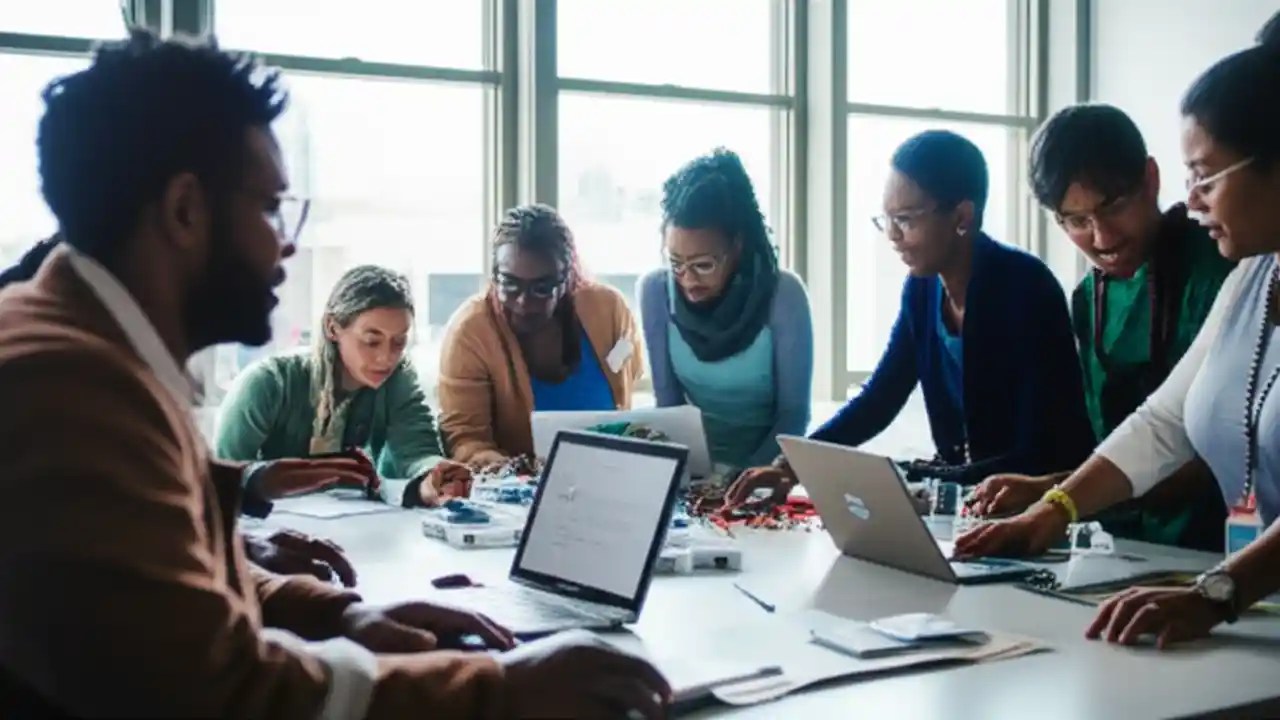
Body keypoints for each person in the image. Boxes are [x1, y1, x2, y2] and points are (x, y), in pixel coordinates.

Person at [0, 30, 669, 718]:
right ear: (184, 211)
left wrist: (338, 617)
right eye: (269, 208)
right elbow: (219, 693)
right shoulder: (67, 390)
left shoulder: (87, 347)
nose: (287, 243)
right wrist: (497, 690)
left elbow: (165, 594)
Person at [955, 33, 1280, 649]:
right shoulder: (1252, 279)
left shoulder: (1215, 273)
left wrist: (1218, 591)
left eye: (1207, 176)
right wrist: (1052, 510)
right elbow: (1163, 422)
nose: (1193, 199)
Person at [727, 130, 1095, 506]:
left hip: (1035, 504)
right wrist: (791, 464)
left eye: (905, 219)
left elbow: (1042, 448)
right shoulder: (922, 290)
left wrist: (920, 476)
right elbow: (880, 398)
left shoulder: (1025, 287)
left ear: (962, 216)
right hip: (970, 499)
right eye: (886, 219)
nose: (892, 236)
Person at [970, 104, 1233, 552]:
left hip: (1216, 549)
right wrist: (1053, 496)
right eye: (1077, 221)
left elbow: (1201, 456)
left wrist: (1052, 496)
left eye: (1114, 206)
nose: (1103, 237)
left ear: (1150, 179)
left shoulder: (1219, 271)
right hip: (1120, 550)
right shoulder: (1088, 299)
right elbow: (1117, 441)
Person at [216, 264, 472, 513]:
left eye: (398, 342)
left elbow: (417, 452)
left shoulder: (397, 379)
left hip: (355, 526)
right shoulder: (268, 384)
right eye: (372, 341)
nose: (386, 358)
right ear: (332, 327)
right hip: (267, 532)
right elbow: (221, 481)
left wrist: (435, 477)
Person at [637, 148, 813, 472]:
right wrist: (696, 477)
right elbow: (669, 405)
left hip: (767, 471)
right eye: (676, 263)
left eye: (704, 264)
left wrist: (746, 477)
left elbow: (794, 414)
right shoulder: (655, 292)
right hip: (693, 468)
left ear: (737, 246)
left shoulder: (784, 295)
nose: (688, 279)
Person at [437, 203, 645, 465]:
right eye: (510, 284)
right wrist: (508, 471)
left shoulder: (608, 310)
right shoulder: (469, 334)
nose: (524, 302)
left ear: (568, 279)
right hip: (516, 491)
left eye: (542, 288)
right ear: (494, 276)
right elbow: (465, 439)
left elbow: (631, 375)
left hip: (611, 471)